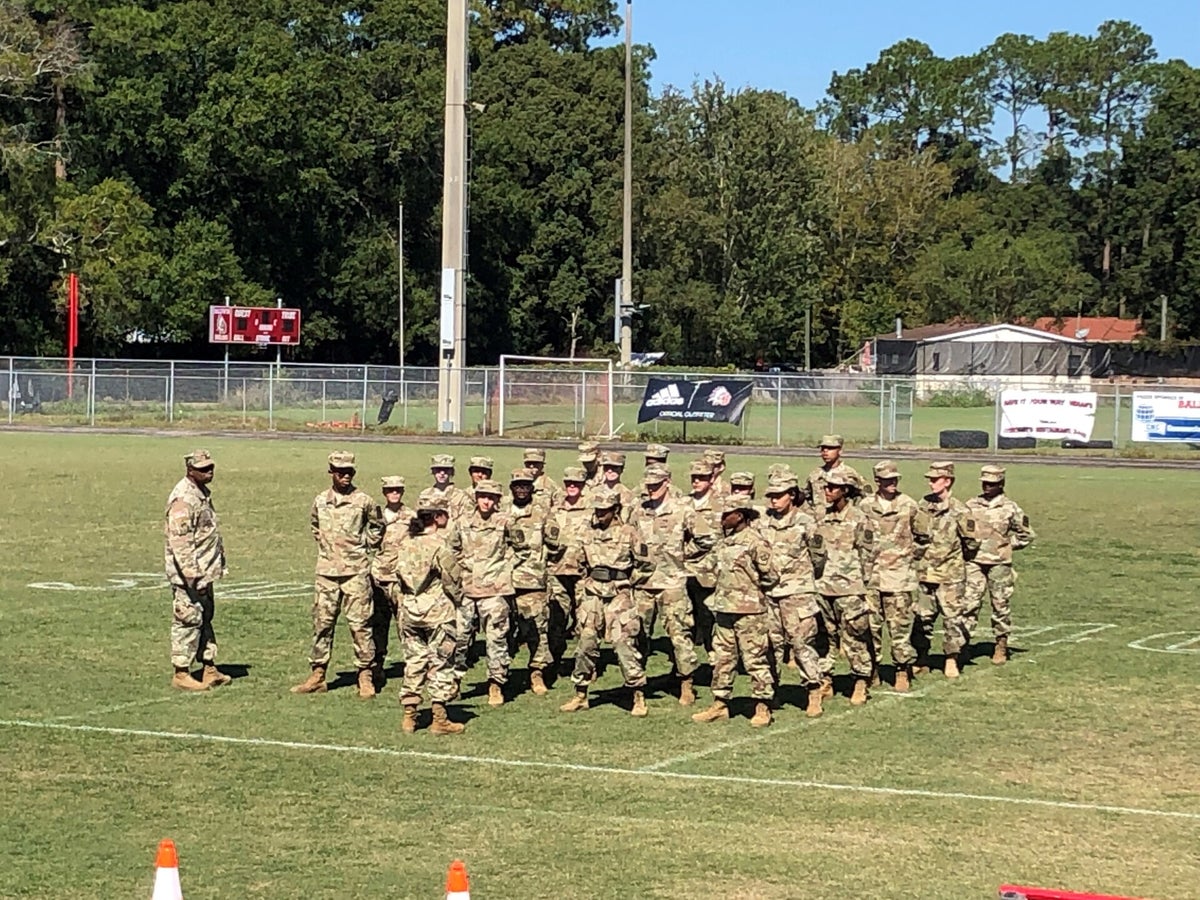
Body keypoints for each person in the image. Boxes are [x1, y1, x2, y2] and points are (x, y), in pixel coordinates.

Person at [292, 451, 384, 698]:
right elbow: (315, 527)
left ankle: (365, 675)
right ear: (331, 471)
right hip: (326, 573)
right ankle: (318, 674)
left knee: (361, 625)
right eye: (340, 471)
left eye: (350, 471)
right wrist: (328, 549)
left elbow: (377, 526)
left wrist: (362, 547)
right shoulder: (321, 501)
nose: (345, 475)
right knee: (322, 624)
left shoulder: (363, 500)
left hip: (355, 573)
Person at [559, 488, 654, 716]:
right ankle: (580, 694)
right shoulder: (588, 533)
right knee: (585, 645)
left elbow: (646, 563)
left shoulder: (629, 533)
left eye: (605, 511)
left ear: (615, 511)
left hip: (619, 596)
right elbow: (578, 562)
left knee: (624, 646)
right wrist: (584, 588)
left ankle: (638, 696)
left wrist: (628, 583)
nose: (600, 515)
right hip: (593, 596)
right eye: (598, 511)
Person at [630, 463, 715, 706]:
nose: (652, 490)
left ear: (667, 482)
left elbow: (706, 538)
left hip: (673, 583)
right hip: (644, 584)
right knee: (639, 636)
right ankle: (638, 686)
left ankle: (686, 684)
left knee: (680, 635)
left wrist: (682, 554)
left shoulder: (682, 509)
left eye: (656, 485)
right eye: (649, 486)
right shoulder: (640, 510)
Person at [691, 496, 780, 727]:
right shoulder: (723, 543)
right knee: (722, 659)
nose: (721, 519)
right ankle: (720, 703)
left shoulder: (755, 542)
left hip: (750, 612)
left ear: (739, 515)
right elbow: (706, 567)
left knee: (755, 659)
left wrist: (750, 591)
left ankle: (762, 706)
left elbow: (771, 575)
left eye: (725, 515)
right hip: (723, 609)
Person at [396, 490, 466, 735]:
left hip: (409, 611)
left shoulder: (405, 544)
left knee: (414, 662)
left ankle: (409, 716)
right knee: (440, 663)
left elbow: (398, 577)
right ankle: (439, 718)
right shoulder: (439, 546)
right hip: (437, 613)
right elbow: (453, 580)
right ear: (437, 517)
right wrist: (458, 602)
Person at [759, 471, 828, 716]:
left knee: (801, 644)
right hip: (769, 593)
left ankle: (813, 690)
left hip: (797, 593)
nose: (773, 501)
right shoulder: (761, 520)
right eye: (771, 496)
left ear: (791, 495)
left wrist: (805, 580)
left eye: (778, 496)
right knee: (770, 645)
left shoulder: (806, 522)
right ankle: (769, 692)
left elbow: (819, 557)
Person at [164, 449, 229, 691]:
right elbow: (180, 541)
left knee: (205, 619)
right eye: (202, 468)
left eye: (210, 466)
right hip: (190, 576)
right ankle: (181, 672)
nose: (209, 471)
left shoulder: (200, 494)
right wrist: (192, 575)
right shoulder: (184, 498)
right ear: (190, 470)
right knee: (188, 620)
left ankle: (209, 668)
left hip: (205, 572)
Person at [450, 478, 516, 706]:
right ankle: (454, 681)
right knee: (459, 637)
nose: (486, 502)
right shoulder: (462, 522)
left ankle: (496, 684)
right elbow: (452, 549)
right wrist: (465, 568)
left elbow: (521, 548)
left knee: (496, 639)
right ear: (476, 498)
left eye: (491, 498)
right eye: (482, 497)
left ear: (497, 500)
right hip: (467, 589)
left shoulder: (505, 522)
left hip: (495, 591)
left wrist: (504, 569)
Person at [911, 462, 980, 679]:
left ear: (947, 481)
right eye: (930, 479)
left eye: (935, 479)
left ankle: (951, 658)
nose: (931, 483)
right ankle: (921, 656)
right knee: (922, 617)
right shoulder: (923, 505)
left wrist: (957, 561)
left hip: (951, 575)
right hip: (926, 572)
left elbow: (972, 542)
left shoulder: (960, 510)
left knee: (952, 618)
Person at [815, 465, 876, 706]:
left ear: (846, 490)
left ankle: (860, 681)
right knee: (824, 638)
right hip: (823, 587)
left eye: (832, 487)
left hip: (850, 589)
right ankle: (825, 680)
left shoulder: (860, 519)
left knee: (854, 637)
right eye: (826, 486)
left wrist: (863, 588)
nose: (827, 491)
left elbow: (868, 555)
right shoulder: (821, 517)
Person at [965, 465, 1035, 665]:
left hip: (999, 564)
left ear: (1001, 484)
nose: (988, 487)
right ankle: (963, 645)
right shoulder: (971, 505)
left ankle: (1001, 644)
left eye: (993, 484)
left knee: (1000, 604)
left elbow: (1027, 534)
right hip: (974, 562)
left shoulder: (1010, 508)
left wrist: (1007, 546)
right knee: (969, 603)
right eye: (985, 483)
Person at [860, 460, 920, 692]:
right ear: (877, 481)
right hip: (872, 577)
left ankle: (901, 670)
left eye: (895, 479)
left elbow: (923, 535)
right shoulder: (865, 506)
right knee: (871, 628)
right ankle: (872, 669)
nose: (892, 483)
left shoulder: (909, 505)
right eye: (887, 480)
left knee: (899, 628)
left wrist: (908, 557)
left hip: (899, 578)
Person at [505, 468, 559, 696]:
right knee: (503, 632)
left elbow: (556, 543)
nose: (521, 489)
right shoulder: (501, 511)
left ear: (532, 488)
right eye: (517, 485)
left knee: (538, 631)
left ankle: (536, 673)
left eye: (525, 485)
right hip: (504, 581)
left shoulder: (542, 512)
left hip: (533, 581)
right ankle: (501, 676)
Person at [369, 475, 415, 689]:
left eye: (397, 490)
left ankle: (412, 670)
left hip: (402, 580)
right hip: (379, 577)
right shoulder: (376, 516)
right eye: (390, 490)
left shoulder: (411, 517)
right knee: (378, 625)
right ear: (384, 493)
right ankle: (376, 667)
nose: (394, 493)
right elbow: (368, 542)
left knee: (405, 626)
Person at [547, 466, 592, 671]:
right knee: (557, 618)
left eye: (576, 483)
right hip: (557, 571)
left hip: (583, 573)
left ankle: (586, 664)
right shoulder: (554, 509)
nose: (572, 486)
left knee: (585, 620)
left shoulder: (591, 510)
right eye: (568, 483)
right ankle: (555, 660)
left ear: (583, 485)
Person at [686, 458, 723, 655]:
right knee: (686, 612)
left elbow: (717, 539)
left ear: (711, 479)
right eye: (694, 478)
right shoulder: (684, 503)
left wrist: (685, 552)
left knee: (708, 612)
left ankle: (712, 649)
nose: (697, 482)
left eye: (701, 478)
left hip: (709, 569)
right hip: (685, 569)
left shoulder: (720, 505)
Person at [804, 435, 867, 519]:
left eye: (830, 448)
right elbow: (806, 497)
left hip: (842, 521)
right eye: (823, 448)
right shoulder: (815, 474)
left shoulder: (849, 473)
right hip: (819, 520)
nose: (825, 451)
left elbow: (864, 496)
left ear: (840, 451)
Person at [429, 454, 475, 521]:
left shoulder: (461, 496)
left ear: (451, 472)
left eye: (446, 470)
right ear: (433, 471)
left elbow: (468, 519)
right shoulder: (424, 495)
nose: (442, 473)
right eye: (438, 470)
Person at [599, 451, 637, 521]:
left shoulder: (629, 496)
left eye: (614, 468)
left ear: (622, 469)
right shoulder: (594, 491)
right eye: (607, 467)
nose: (610, 471)